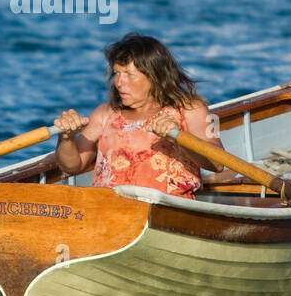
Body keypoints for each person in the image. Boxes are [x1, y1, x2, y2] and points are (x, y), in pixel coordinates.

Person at [53, 33, 223, 199]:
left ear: (155, 76)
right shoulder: (105, 114)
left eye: (128, 74)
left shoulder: (190, 109)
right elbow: (72, 166)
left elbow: (217, 163)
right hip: (109, 210)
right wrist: (66, 137)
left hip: (168, 209)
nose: (119, 82)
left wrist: (178, 137)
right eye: (117, 73)